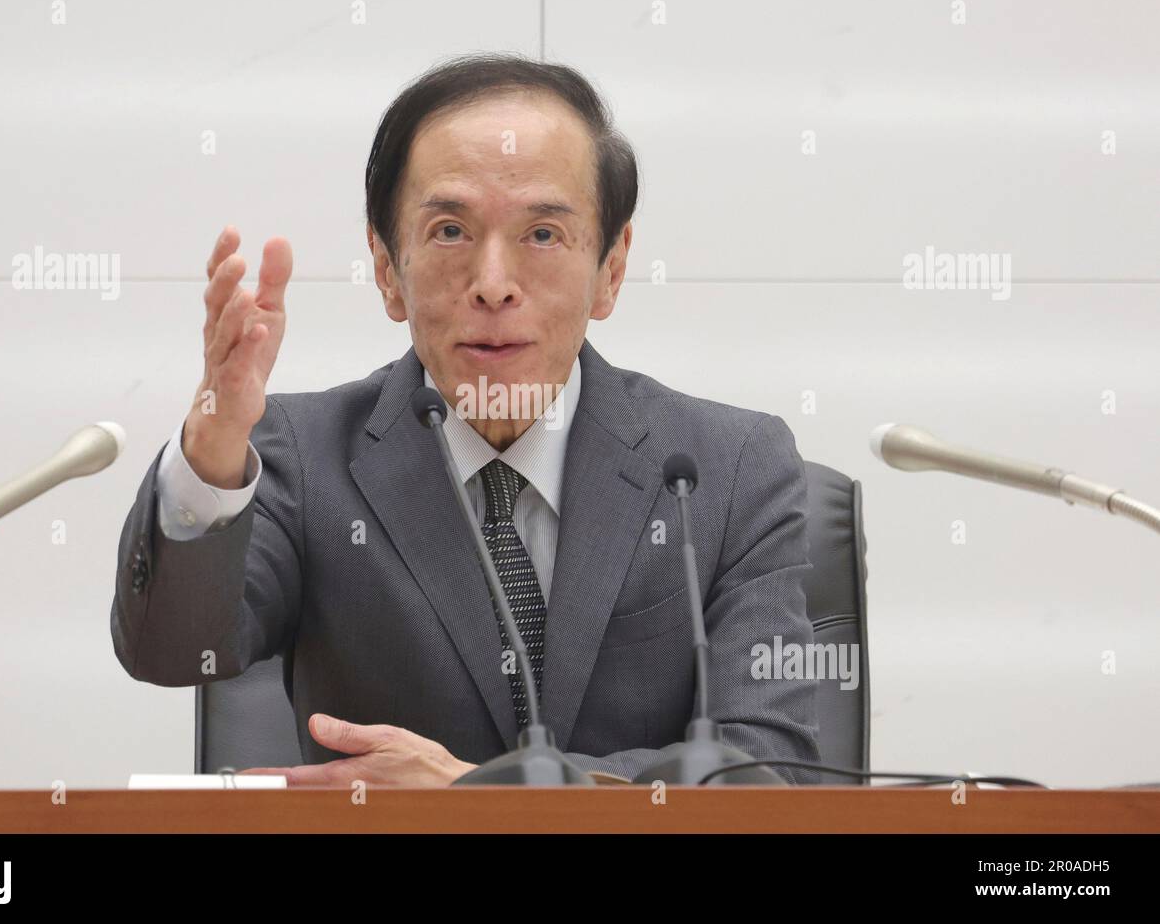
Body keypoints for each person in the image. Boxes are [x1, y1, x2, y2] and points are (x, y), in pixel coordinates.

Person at [111, 53, 819, 785]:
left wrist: (473, 795)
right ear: (387, 267)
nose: (492, 285)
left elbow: (769, 772)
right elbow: (170, 650)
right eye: (450, 231)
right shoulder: (302, 455)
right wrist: (212, 444)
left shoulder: (727, 470)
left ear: (611, 267)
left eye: (542, 234)